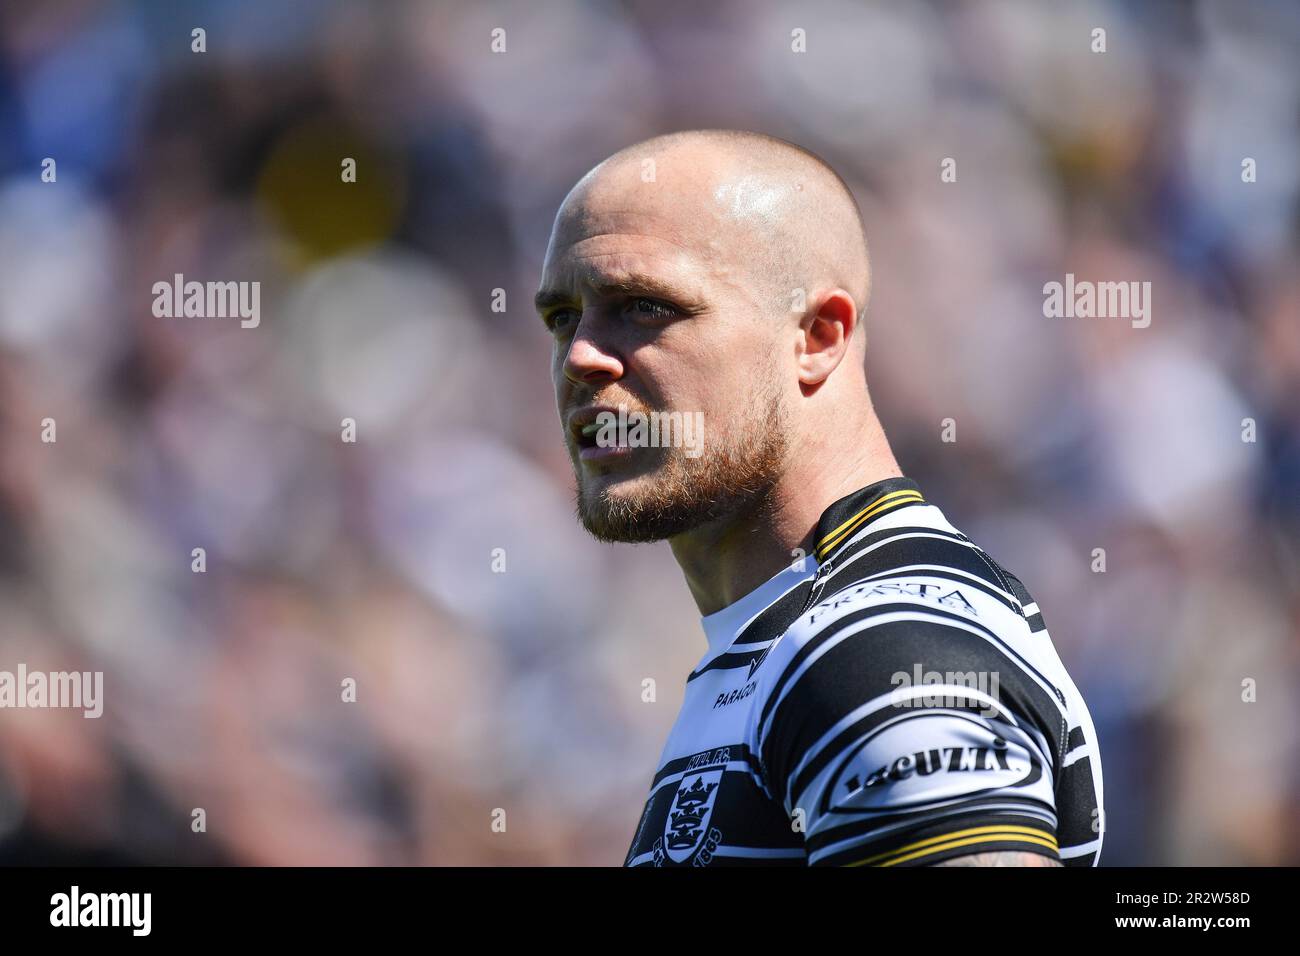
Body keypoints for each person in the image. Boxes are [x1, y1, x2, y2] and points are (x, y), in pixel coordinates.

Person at [534, 129, 1104, 867]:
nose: (581, 354)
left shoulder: (876, 647)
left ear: (817, 336)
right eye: (560, 318)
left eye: (644, 306)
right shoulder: (791, 639)